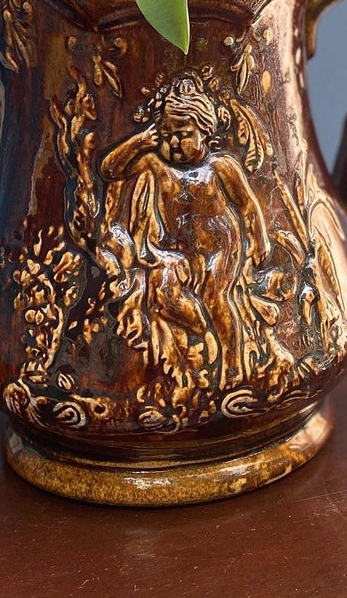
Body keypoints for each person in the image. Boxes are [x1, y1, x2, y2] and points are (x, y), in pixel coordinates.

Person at [98, 73, 271, 390]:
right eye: (166, 134)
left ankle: (233, 365)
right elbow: (109, 169)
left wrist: (258, 238)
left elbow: (247, 204)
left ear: (205, 132)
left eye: (183, 133)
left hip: (220, 246)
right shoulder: (154, 164)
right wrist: (140, 140)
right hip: (176, 250)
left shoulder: (220, 166)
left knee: (217, 298)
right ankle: (203, 331)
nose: (173, 142)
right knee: (163, 296)